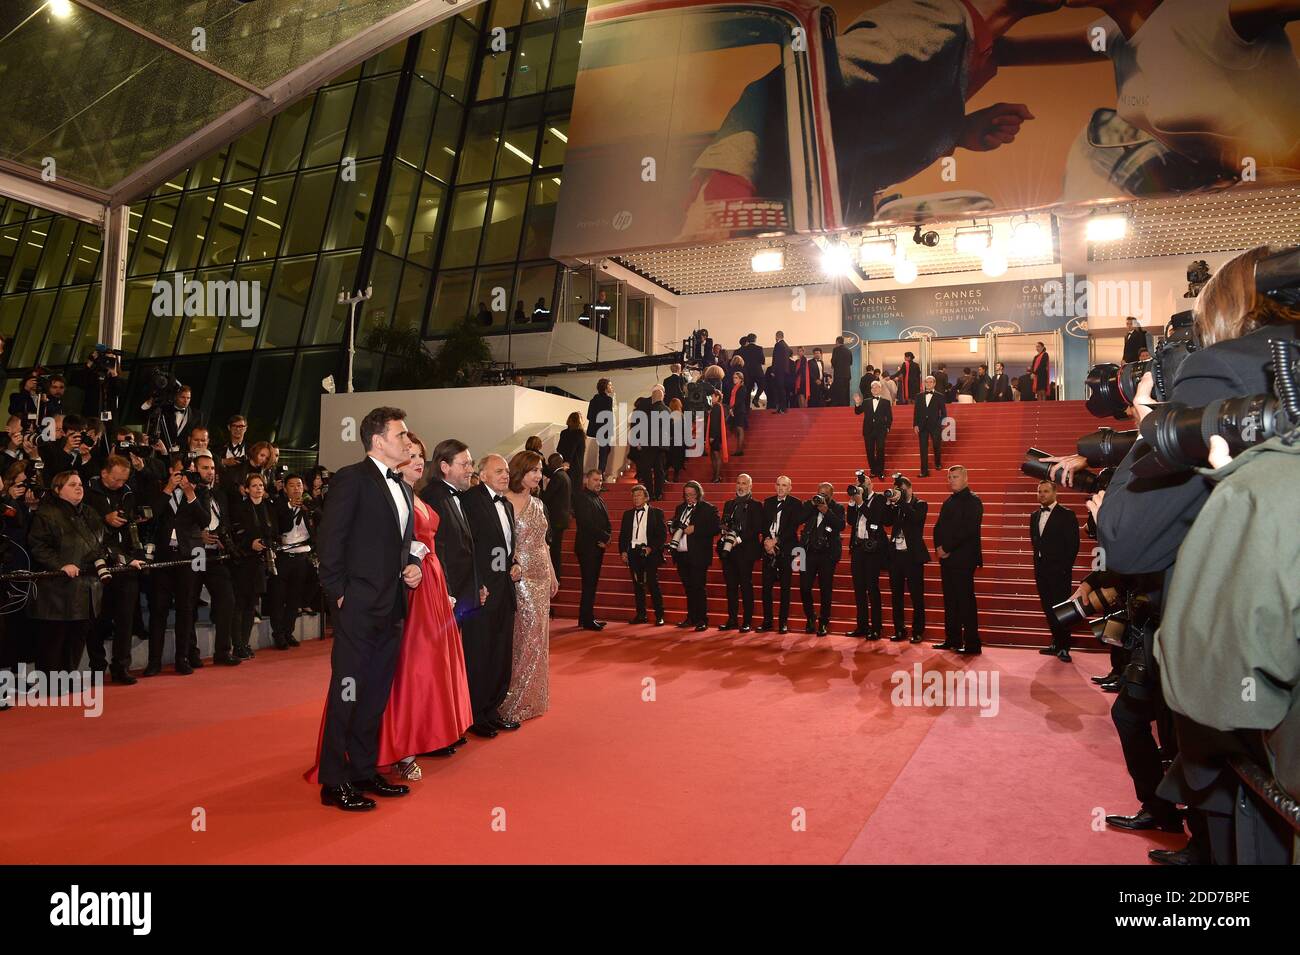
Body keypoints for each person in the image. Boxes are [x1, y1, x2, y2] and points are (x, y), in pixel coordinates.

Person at [311, 407, 423, 812]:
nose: (409, 441)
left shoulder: (405, 488)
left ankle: (362, 770)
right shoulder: (352, 479)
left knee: (375, 695)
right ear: (378, 441)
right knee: (347, 693)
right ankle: (332, 780)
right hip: (358, 606)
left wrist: (413, 567)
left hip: (392, 606)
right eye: (402, 434)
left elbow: (405, 544)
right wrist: (339, 595)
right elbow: (330, 541)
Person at [28, 471, 137, 675]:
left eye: (80, 484)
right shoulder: (46, 514)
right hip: (56, 591)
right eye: (72, 485)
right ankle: (50, 684)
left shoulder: (90, 513)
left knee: (76, 639)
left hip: (87, 589)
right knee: (54, 640)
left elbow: (106, 544)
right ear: (58, 490)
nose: (79, 487)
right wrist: (61, 565)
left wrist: (128, 560)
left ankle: (68, 677)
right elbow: (38, 547)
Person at [460, 453, 522, 737]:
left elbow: (508, 547)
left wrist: (515, 564)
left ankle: (492, 709)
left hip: (505, 590)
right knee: (480, 653)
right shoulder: (471, 500)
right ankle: (475, 713)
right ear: (482, 474)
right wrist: (475, 585)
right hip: (482, 592)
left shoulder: (507, 505)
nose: (505, 475)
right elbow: (466, 547)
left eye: (507, 471)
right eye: (498, 471)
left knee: (500, 653)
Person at [500, 450, 555, 724]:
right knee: (522, 635)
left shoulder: (538, 503)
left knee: (538, 636)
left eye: (540, 470)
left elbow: (544, 542)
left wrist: (553, 575)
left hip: (541, 574)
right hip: (517, 575)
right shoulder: (504, 502)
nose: (538, 475)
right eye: (533, 470)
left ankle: (532, 698)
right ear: (520, 470)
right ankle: (511, 699)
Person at [83, 455, 146, 685]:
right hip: (99, 563)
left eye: (124, 480)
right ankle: (97, 667)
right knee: (97, 620)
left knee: (125, 620)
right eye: (117, 480)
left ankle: (121, 667)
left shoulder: (128, 492)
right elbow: (82, 524)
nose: (120, 484)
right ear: (104, 473)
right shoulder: (87, 490)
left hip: (127, 563)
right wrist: (104, 519)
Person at [144, 458, 207, 676]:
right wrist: (168, 489)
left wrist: (190, 494)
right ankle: (154, 661)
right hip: (162, 557)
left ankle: (182, 658)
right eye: (181, 471)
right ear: (171, 471)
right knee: (158, 610)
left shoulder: (199, 491)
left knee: (185, 609)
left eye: (189, 472)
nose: (185, 476)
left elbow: (204, 520)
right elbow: (150, 516)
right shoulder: (158, 488)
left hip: (187, 557)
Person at [932, 466, 983, 654]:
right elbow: (938, 527)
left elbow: (968, 531)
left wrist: (946, 548)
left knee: (965, 602)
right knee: (950, 601)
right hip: (947, 560)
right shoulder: (948, 502)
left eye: (955, 477)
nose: (951, 480)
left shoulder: (974, 501)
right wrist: (939, 548)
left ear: (965, 478)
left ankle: (972, 643)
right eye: (949, 477)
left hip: (964, 560)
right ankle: (952, 639)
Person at [229, 472, 278, 660]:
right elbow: (236, 532)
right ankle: (237, 645)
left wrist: (268, 544)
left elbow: (274, 532)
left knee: (251, 605)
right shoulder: (239, 508)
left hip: (260, 563)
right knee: (240, 604)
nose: (258, 489)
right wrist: (250, 543)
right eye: (255, 486)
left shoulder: (268, 508)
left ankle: (245, 643)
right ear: (247, 489)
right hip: (242, 561)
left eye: (261, 486)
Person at [1030, 480, 1079, 662]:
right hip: (1041, 571)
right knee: (1048, 608)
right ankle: (1055, 643)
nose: (1042, 494)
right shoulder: (1034, 515)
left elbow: (1073, 545)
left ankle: (1065, 647)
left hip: (1060, 572)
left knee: (1062, 609)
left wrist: (1065, 569)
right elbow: (1036, 544)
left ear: (1054, 493)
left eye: (1046, 491)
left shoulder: (1067, 515)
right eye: (1039, 491)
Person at [269, 474, 315, 651]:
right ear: (285, 488)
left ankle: (289, 631)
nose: (297, 489)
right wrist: (290, 508)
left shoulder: (308, 505)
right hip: (283, 557)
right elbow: (282, 527)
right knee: (279, 597)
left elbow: (317, 523)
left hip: (302, 556)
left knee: (295, 598)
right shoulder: (278, 506)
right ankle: (278, 634)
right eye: (292, 485)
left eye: (299, 485)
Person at [670, 480, 718, 631]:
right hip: (682, 554)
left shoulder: (708, 508)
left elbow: (715, 528)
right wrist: (672, 527)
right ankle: (691, 617)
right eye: (686, 495)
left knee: (698, 587)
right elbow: (676, 524)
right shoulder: (680, 508)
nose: (689, 497)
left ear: (698, 493)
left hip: (698, 555)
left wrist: (695, 529)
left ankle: (702, 619)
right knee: (688, 588)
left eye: (692, 494)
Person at [885, 476, 928, 644]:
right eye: (898, 490)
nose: (899, 494)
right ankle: (899, 629)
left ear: (910, 488)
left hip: (913, 557)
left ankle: (917, 631)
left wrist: (902, 502)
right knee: (896, 596)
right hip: (896, 556)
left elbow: (916, 519)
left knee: (917, 596)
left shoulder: (920, 504)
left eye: (902, 490)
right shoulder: (896, 506)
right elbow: (886, 521)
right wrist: (889, 503)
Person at [717, 473, 761, 632]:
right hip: (729, 552)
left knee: (745, 586)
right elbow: (724, 524)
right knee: (730, 587)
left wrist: (739, 539)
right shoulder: (729, 504)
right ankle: (732, 619)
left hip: (745, 550)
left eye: (744, 483)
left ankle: (747, 621)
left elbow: (756, 528)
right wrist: (724, 530)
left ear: (750, 486)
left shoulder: (756, 505)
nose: (740, 486)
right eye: (738, 483)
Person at [846, 477, 890, 639]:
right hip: (857, 548)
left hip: (873, 549)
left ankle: (877, 627)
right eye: (859, 487)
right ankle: (862, 626)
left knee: (872, 588)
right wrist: (852, 501)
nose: (861, 489)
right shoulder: (857, 500)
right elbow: (850, 521)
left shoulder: (879, 498)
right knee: (859, 589)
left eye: (864, 486)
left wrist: (860, 503)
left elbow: (875, 518)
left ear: (871, 485)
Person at [757, 475, 801, 634]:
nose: (781, 488)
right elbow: (763, 525)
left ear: (790, 488)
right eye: (778, 485)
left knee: (785, 588)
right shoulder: (768, 502)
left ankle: (783, 622)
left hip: (786, 550)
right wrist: (767, 541)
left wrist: (777, 541)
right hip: (768, 550)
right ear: (775, 486)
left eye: (784, 485)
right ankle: (767, 621)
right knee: (766, 588)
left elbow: (792, 527)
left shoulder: (796, 504)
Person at [798, 484, 844, 637]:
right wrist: (812, 505)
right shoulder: (810, 504)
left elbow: (840, 525)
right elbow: (798, 518)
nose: (822, 496)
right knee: (804, 587)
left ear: (831, 494)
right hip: (807, 552)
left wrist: (826, 511)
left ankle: (824, 622)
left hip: (827, 555)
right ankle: (810, 617)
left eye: (825, 494)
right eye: (819, 493)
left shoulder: (837, 508)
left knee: (826, 590)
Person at [619, 484, 666, 626]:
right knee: (637, 586)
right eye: (634, 496)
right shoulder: (627, 514)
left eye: (639, 495)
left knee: (653, 584)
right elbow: (623, 536)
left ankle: (659, 615)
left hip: (649, 553)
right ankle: (641, 614)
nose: (636, 498)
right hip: (633, 552)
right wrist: (623, 551)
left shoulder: (656, 513)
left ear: (646, 497)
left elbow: (662, 535)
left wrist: (651, 548)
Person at [572, 468, 611, 631]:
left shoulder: (597, 498)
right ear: (586, 480)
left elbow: (604, 522)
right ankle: (587, 619)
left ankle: (585, 617)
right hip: (588, 547)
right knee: (589, 584)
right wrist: (604, 537)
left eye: (600, 480)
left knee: (591, 584)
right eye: (595, 480)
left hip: (596, 546)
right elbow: (586, 523)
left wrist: (606, 537)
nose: (599, 483)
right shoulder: (582, 497)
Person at [541, 453, 572, 595]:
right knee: (556, 550)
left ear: (553, 463)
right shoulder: (564, 476)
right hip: (562, 518)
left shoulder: (558, 477)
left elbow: (547, 497)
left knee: (554, 551)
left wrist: (540, 493)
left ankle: (556, 577)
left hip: (556, 520)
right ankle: (557, 577)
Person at [854, 380, 892, 478]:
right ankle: (873, 471)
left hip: (881, 430)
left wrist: (887, 427)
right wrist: (857, 403)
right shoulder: (866, 402)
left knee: (880, 450)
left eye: (876, 387)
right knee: (870, 451)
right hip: (868, 430)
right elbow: (858, 412)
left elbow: (889, 417)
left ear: (880, 389)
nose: (874, 389)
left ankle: (880, 471)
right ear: (871, 390)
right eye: (873, 388)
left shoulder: (886, 402)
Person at [913, 375, 946, 477]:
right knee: (923, 449)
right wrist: (915, 424)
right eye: (927, 382)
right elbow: (916, 412)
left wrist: (940, 423)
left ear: (934, 383)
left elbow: (944, 413)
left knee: (936, 445)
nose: (928, 384)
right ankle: (924, 471)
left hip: (935, 425)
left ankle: (937, 463)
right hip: (922, 426)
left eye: (930, 382)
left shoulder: (940, 396)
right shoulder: (919, 396)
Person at [586, 379, 615, 478]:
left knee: (601, 454)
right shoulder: (608, 400)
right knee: (603, 455)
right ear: (605, 387)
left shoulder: (593, 400)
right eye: (610, 386)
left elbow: (589, 416)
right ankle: (600, 476)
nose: (612, 387)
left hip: (593, 431)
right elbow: (608, 417)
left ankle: (597, 476)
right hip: (604, 431)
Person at [704, 386, 728, 482]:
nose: (711, 398)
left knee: (716, 455)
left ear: (717, 397)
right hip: (716, 435)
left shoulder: (716, 407)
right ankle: (716, 476)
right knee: (714, 455)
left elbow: (714, 423)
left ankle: (716, 476)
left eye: (713, 396)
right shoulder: (717, 407)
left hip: (715, 436)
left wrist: (712, 436)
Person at [725, 370, 749, 458]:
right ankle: (740, 446)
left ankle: (740, 449)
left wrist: (732, 408)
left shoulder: (742, 388)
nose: (734, 379)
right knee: (736, 429)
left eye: (736, 378)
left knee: (739, 428)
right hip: (734, 409)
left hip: (739, 410)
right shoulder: (734, 387)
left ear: (740, 379)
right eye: (733, 378)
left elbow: (740, 400)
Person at [557, 412, 587, 478]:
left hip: (563, 463)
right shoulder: (580, 434)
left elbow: (559, 448)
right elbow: (573, 449)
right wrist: (568, 461)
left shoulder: (563, 433)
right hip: (576, 466)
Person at [769, 331, 791, 414]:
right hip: (784, 371)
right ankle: (782, 408)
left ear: (777, 336)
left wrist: (773, 370)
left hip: (778, 371)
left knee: (779, 390)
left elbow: (776, 359)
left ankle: (781, 408)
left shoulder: (778, 345)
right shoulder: (786, 345)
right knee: (781, 389)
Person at [830, 336, 853, 406]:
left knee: (839, 393)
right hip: (847, 375)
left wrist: (833, 364)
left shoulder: (835, 350)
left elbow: (833, 361)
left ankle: (840, 409)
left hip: (838, 375)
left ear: (837, 342)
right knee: (846, 392)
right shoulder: (849, 351)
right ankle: (847, 406)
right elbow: (851, 362)